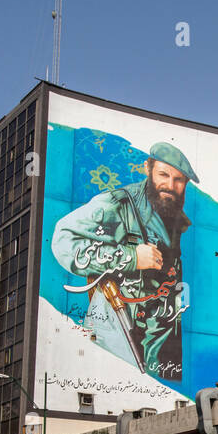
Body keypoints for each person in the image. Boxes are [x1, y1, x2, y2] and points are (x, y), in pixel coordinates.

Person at [51, 141, 198, 381]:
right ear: (147, 168)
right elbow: (63, 240)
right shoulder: (117, 204)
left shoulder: (176, 218)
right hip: (118, 335)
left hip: (160, 343)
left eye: (179, 180)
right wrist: (131, 257)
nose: (170, 186)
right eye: (163, 174)